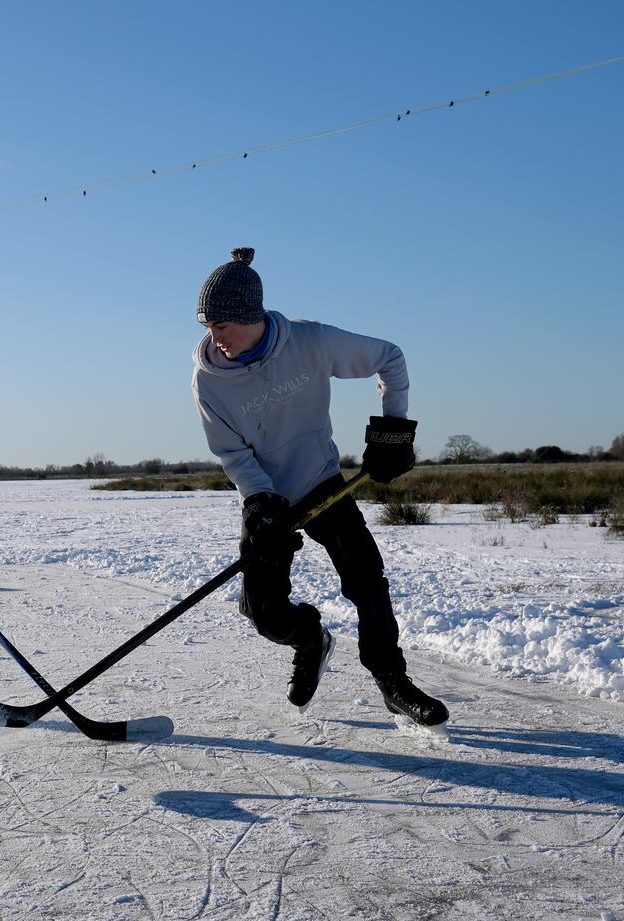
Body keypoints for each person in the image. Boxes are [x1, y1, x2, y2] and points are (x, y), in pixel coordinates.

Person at [190, 248, 447, 727]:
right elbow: (232, 453)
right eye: (207, 327)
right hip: (268, 500)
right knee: (264, 614)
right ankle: (309, 637)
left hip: (322, 483)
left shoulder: (310, 342)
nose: (214, 337)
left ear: (251, 317)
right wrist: (261, 502)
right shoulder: (209, 382)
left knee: (368, 582)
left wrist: (392, 435)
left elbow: (389, 357)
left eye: (221, 325)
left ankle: (393, 681)